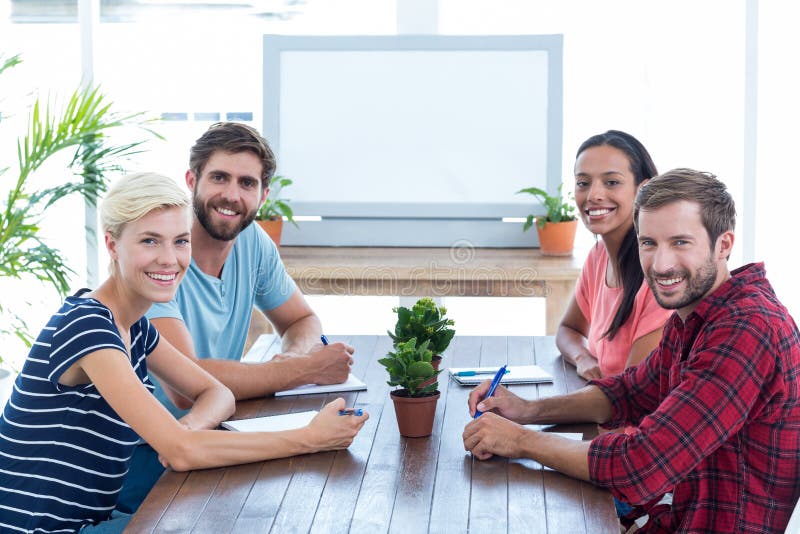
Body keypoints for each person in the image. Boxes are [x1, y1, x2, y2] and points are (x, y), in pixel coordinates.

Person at [0, 172, 368, 533]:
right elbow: (181, 453)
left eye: (180, 241)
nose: (169, 259)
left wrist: (186, 430)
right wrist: (309, 438)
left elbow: (217, 393)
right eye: (149, 241)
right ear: (112, 245)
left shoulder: (135, 327)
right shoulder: (88, 326)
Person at [463, 169, 800, 533]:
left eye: (681, 242)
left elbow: (643, 463)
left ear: (724, 244)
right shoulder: (695, 315)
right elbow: (629, 391)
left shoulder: (747, 330)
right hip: (675, 518)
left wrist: (520, 441)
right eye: (649, 243)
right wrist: (528, 411)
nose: (661, 264)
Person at [117, 122, 355, 512]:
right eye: (219, 178)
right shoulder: (162, 260)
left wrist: (293, 358)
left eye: (247, 183)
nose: (231, 195)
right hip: (141, 453)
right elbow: (184, 385)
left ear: (263, 194)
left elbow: (302, 321)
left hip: (207, 428)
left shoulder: (252, 241)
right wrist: (304, 371)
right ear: (191, 180)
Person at [558, 130, 672, 380]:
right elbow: (567, 329)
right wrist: (583, 357)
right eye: (583, 183)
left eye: (611, 182)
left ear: (643, 189)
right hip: (604, 408)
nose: (593, 195)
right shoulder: (599, 256)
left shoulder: (661, 272)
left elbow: (632, 392)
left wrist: (528, 411)